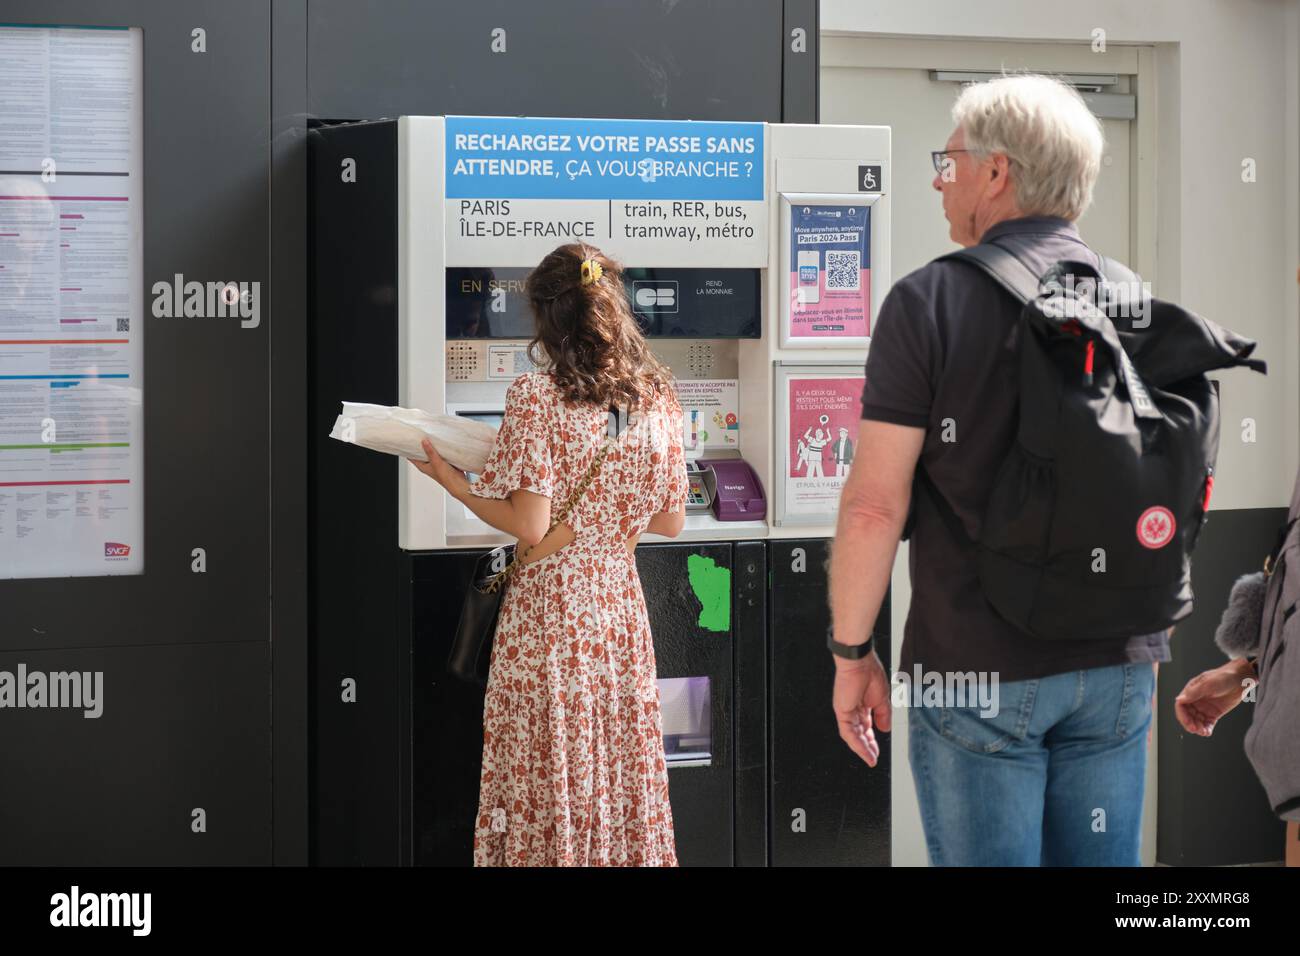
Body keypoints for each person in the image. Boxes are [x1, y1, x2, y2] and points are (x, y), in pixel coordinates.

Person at [826, 73, 1167, 866]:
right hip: (1119, 662)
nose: (941, 182)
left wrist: (852, 654)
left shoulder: (927, 304)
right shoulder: (1132, 301)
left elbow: (874, 506)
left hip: (977, 665)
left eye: (947, 163)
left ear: (997, 172)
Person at [409, 242, 688, 866]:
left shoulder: (537, 396)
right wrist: (603, 530)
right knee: (619, 772)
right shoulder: (656, 394)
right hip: (618, 615)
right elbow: (671, 519)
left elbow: (529, 525)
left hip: (552, 619)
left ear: (545, 317)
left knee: (548, 771)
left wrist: (454, 484)